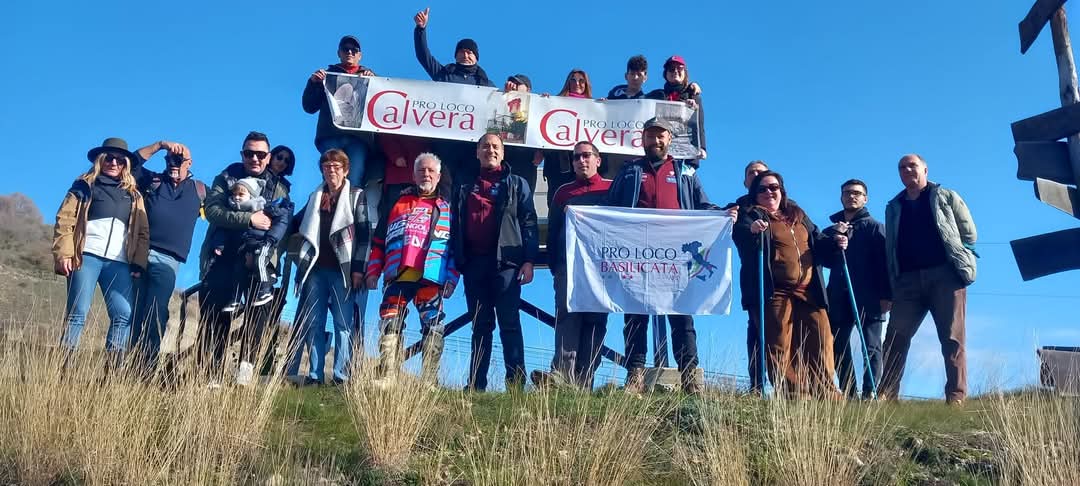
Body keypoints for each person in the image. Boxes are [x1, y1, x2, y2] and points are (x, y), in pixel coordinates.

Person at [605, 118, 720, 394]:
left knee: (681, 316)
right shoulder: (630, 170)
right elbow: (610, 207)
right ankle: (635, 375)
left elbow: (703, 205)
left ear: (669, 139)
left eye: (661, 136)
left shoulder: (685, 171)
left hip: (675, 256)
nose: (655, 141)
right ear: (642, 139)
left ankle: (689, 376)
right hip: (637, 255)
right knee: (635, 316)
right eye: (650, 136)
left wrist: (724, 213)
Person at [732, 171, 846, 398]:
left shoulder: (798, 215)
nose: (768, 192)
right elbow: (740, 236)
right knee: (779, 345)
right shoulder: (750, 214)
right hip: (774, 292)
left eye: (773, 187)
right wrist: (752, 231)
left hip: (809, 290)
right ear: (754, 194)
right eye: (762, 189)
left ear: (781, 191)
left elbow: (818, 241)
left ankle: (827, 394)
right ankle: (793, 395)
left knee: (822, 341)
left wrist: (836, 242)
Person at [879, 154, 977, 405]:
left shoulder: (945, 196)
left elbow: (969, 233)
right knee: (895, 338)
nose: (907, 170)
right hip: (907, 281)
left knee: (952, 338)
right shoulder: (894, 206)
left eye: (912, 165)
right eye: (902, 167)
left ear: (924, 168)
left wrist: (960, 258)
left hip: (945, 276)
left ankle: (956, 398)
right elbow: (891, 245)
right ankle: (886, 396)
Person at [198, 131, 291, 385]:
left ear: (268, 156)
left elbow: (282, 221)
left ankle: (245, 372)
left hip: (259, 258)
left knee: (258, 313)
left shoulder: (279, 186)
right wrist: (248, 218)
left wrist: (268, 249)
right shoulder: (226, 176)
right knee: (216, 313)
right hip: (222, 257)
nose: (255, 158)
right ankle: (210, 375)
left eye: (260, 154)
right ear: (242, 154)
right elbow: (212, 210)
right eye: (249, 153)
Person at [451, 133, 538, 391]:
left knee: (509, 323)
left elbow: (529, 222)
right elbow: (454, 223)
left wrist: (529, 260)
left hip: (507, 265)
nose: (490, 150)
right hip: (474, 264)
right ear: (477, 152)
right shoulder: (464, 184)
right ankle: (476, 385)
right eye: (485, 146)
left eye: (495, 146)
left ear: (503, 153)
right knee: (480, 326)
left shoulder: (517, 184)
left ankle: (515, 385)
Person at [53, 137, 149, 362]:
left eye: (119, 160)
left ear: (126, 164)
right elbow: (65, 219)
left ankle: (113, 370)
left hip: (119, 262)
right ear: (100, 160)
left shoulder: (134, 195)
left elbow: (142, 232)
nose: (113, 163)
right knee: (78, 312)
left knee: (123, 314)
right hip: (86, 256)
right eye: (108, 158)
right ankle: (64, 366)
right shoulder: (84, 186)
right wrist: (63, 253)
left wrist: (138, 262)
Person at [366, 153, 458, 386]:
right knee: (390, 324)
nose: (425, 174)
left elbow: (456, 247)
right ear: (413, 174)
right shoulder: (397, 202)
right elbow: (378, 241)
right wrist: (374, 269)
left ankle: (429, 381)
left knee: (434, 326)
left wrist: (452, 277)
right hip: (397, 275)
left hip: (431, 277)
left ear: (438, 176)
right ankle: (388, 375)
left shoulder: (447, 208)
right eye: (421, 170)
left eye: (430, 171)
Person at [287, 149, 371, 385]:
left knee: (343, 322)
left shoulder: (356, 196)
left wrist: (358, 269)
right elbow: (298, 223)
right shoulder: (315, 197)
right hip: (315, 269)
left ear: (345, 170)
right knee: (314, 321)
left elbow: (365, 234)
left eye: (336, 166)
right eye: (326, 166)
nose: (331, 170)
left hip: (342, 270)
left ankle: (341, 375)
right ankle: (315, 374)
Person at [531, 141, 611, 389]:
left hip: (602, 269)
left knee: (595, 322)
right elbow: (554, 231)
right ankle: (560, 376)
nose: (581, 161)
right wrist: (556, 266)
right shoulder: (562, 192)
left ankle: (584, 381)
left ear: (598, 160)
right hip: (569, 268)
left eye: (586, 156)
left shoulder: (612, 189)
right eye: (576, 157)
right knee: (567, 317)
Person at [129, 140, 205, 372]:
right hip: (139, 253)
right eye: (170, 159)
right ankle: (123, 365)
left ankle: (148, 365)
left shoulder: (200, 190)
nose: (173, 163)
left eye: (179, 160)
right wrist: (161, 145)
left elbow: (224, 211)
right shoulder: (153, 181)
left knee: (156, 310)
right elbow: (131, 164)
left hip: (169, 260)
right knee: (132, 310)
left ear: (189, 163)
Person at [822, 179, 890, 399]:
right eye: (847, 193)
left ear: (865, 198)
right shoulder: (831, 230)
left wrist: (887, 295)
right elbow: (824, 258)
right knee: (838, 344)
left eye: (857, 193)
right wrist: (835, 238)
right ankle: (849, 392)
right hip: (839, 294)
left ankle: (870, 391)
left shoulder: (875, 228)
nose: (852, 196)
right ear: (841, 197)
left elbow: (886, 263)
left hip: (870, 296)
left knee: (871, 345)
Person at [412, 7, 496, 184]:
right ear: (456, 55)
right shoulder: (444, 74)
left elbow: (502, 108)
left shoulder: (487, 84)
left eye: (469, 52)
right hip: (445, 143)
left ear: (476, 57)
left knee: (468, 188)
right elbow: (423, 56)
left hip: (471, 146)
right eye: (461, 51)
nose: (465, 55)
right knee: (446, 188)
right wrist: (421, 29)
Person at [206, 177, 292, 312]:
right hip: (243, 248)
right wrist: (219, 245)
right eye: (235, 194)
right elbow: (222, 228)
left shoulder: (264, 208)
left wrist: (270, 240)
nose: (237, 198)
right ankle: (236, 299)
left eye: (241, 194)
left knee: (260, 261)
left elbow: (282, 221)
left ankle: (265, 289)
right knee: (238, 270)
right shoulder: (232, 208)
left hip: (262, 244)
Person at [303, 35, 377, 191]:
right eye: (346, 49)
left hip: (358, 139)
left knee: (355, 179)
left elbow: (381, 108)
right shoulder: (327, 76)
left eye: (354, 50)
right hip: (332, 135)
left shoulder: (371, 78)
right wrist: (313, 84)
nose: (350, 52)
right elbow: (309, 106)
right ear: (339, 53)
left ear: (360, 55)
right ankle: (328, 211)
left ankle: (349, 214)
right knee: (331, 179)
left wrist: (375, 82)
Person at [724, 160, 769, 393]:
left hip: (787, 280)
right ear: (745, 181)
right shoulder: (738, 208)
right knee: (757, 329)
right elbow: (730, 231)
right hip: (755, 277)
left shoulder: (786, 207)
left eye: (760, 172)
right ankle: (758, 385)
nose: (756, 175)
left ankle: (789, 387)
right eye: (751, 173)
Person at [543, 69, 596, 205]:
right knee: (557, 202)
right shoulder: (555, 102)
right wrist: (543, 103)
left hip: (581, 163)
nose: (577, 83)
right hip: (557, 165)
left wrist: (606, 107)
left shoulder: (594, 107)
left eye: (581, 80)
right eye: (573, 80)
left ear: (586, 84)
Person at [646, 56, 707, 166]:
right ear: (665, 74)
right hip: (660, 156)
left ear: (685, 72)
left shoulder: (693, 96)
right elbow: (634, 103)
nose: (675, 71)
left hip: (685, 158)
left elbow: (700, 124)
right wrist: (608, 102)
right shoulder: (655, 95)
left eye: (679, 68)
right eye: (671, 69)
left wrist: (702, 148)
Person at [502, 74, 542, 193]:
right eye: (511, 82)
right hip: (505, 158)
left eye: (518, 84)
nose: (513, 86)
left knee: (525, 195)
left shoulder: (539, 106)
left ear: (528, 89)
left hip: (527, 160)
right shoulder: (498, 100)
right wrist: (506, 96)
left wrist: (541, 151)